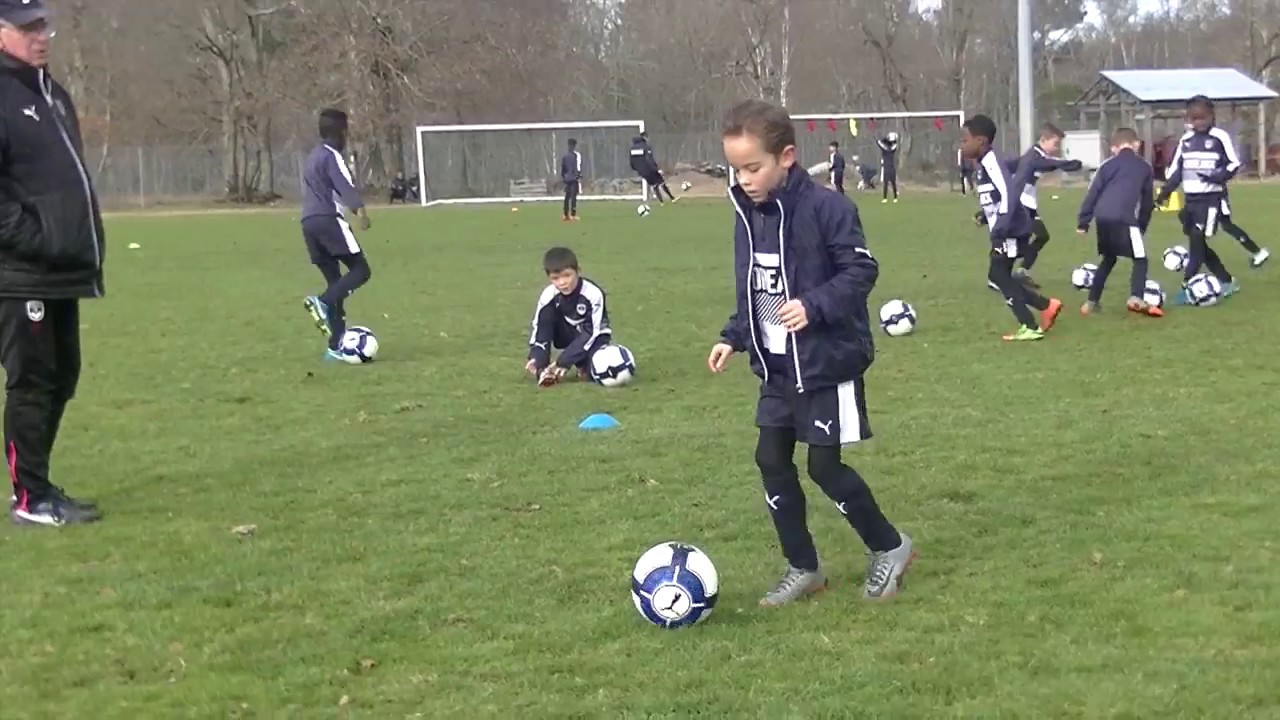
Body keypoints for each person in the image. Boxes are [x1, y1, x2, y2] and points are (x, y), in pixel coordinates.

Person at [709, 99, 915, 606]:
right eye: (736, 170)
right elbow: (755, 287)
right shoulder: (748, 215)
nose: (744, 179)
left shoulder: (829, 209)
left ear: (787, 157)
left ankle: (889, 546)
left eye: (753, 167)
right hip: (777, 365)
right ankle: (804, 567)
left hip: (825, 362)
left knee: (824, 466)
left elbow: (861, 271)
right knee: (770, 458)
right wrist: (734, 335)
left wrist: (813, 306)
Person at [0, 0, 105, 526]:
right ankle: (30, 499)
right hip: (21, 273)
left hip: (61, 269)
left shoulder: (53, 95)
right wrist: (39, 238)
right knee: (33, 381)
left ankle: (37, 485)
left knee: (63, 377)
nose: (40, 36)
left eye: (43, 25)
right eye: (27, 28)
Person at [961, 114, 1063, 341]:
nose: (962, 145)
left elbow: (1009, 192)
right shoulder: (983, 163)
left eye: (965, 140)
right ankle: (1046, 306)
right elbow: (996, 198)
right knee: (999, 276)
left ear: (981, 140)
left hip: (1009, 231)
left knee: (999, 276)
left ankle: (1030, 325)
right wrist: (987, 217)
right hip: (1005, 230)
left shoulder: (991, 161)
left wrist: (1002, 225)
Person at [300, 108, 373, 362]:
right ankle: (321, 302)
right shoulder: (332, 156)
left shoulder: (312, 156)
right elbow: (343, 184)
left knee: (336, 284)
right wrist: (360, 211)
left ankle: (335, 346)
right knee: (361, 271)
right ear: (341, 132)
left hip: (308, 223)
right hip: (328, 219)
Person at [1157, 96, 1240, 304]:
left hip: (1210, 200)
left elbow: (1233, 164)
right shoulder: (1186, 140)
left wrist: (1216, 177)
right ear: (1188, 119)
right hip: (1191, 201)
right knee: (1198, 243)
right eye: (1194, 119)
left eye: (1203, 118)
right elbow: (1177, 171)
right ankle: (1227, 280)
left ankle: (1187, 286)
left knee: (1196, 243)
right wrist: (1164, 193)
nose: (1199, 122)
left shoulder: (1219, 137)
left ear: (1212, 116)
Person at [1076, 128, 1160, 317]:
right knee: (1141, 260)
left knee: (1109, 258)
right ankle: (1136, 297)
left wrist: (1083, 222)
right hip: (1125, 218)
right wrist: (1142, 226)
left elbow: (1093, 193)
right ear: (1136, 144)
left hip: (1102, 218)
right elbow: (1147, 202)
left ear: (1115, 147)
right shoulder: (1144, 167)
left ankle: (1091, 303)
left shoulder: (1107, 165)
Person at [1009, 123, 1084, 286]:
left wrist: (1064, 164)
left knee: (1040, 237)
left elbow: (1045, 163)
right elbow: (1045, 164)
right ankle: (1002, 273)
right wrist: (1066, 164)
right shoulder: (1033, 156)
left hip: (1027, 204)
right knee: (1022, 242)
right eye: (1055, 144)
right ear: (1043, 140)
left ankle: (1020, 272)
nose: (1056, 148)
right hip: (1021, 204)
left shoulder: (1036, 155)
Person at [526, 247, 611, 387]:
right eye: (555, 278)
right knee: (546, 314)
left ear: (578, 271)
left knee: (593, 373)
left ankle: (583, 364)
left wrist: (564, 361)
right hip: (568, 333)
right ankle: (544, 371)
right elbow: (538, 326)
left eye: (567, 275)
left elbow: (592, 332)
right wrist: (536, 356)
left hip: (596, 337)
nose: (562, 282)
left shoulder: (593, 293)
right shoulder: (548, 294)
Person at [629, 132, 676, 204]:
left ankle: (661, 202)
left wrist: (636, 169)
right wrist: (657, 169)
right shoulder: (646, 147)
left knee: (654, 185)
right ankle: (672, 198)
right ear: (645, 137)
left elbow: (631, 161)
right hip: (650, 169)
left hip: (642, 172)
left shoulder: (632, 148)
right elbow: (649, 160)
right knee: (661, 182)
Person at [560, 138, 582, 221]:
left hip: (567, 178)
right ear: (574, 146)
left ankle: (566, 214)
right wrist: (578, 176)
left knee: (567, 196)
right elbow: (576, 168)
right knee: (573, 197)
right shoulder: (575, 156)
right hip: (573, 179)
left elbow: (563, 168)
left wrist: (564, 177)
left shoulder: (565, 156)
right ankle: (573, 214)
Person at [876, 133, 900, 202]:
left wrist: (885, 139)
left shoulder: (889, 149)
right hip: (887, 168)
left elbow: (879, 143)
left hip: (890, 168)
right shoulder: (888, 149)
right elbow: (880, 143)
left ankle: (894, 197)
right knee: (886, 184)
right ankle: (886, 198)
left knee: (892, 183)